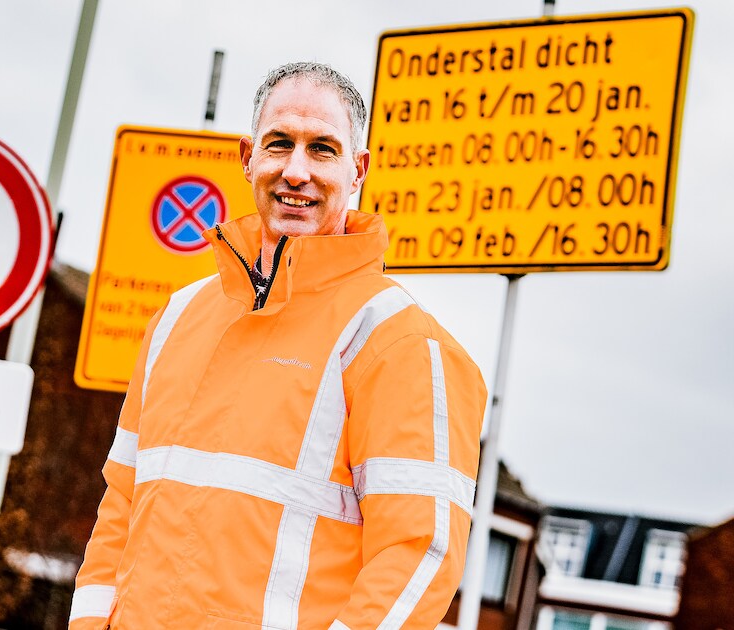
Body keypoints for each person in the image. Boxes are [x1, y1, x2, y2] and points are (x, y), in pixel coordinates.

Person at [70, 62, 487, 630]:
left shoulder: (399, 341)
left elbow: (418, 557)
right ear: (248, 157)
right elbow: (121, 502)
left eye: (322, 149)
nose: (296, 171)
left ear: (357, 169)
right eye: (279, 144)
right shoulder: (178, 317)